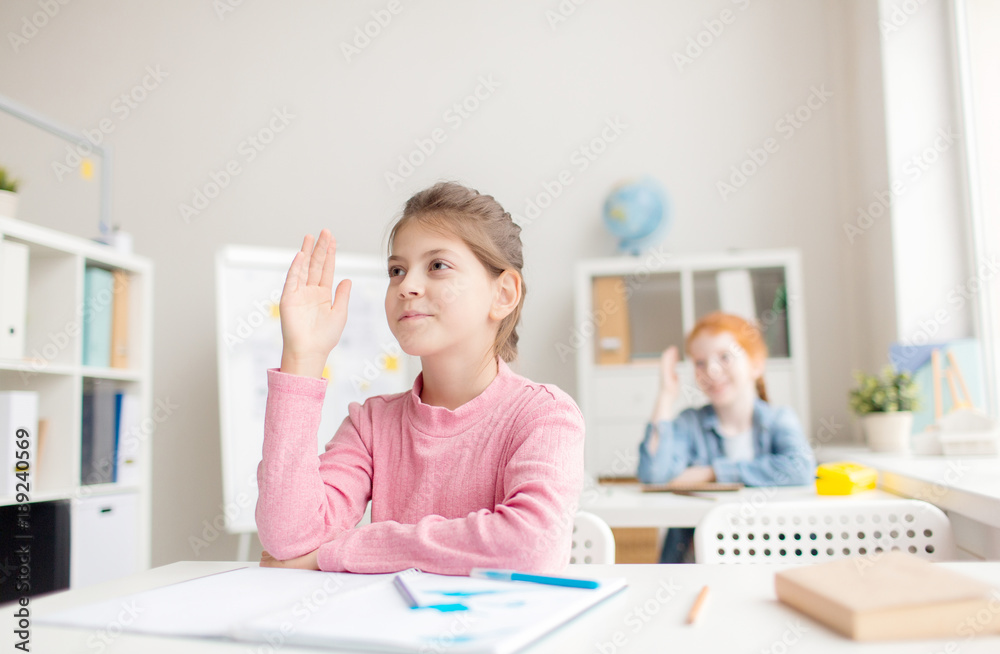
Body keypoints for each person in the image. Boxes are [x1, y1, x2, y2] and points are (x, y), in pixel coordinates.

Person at [254, 181, 585, 575]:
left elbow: (530, 547)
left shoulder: (545, 416)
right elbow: (288, 540)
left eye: (437, 266)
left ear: (503, 294)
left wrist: (342, 552)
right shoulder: (371, 424)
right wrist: (302, 358)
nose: (407, 286)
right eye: (397, 270)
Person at [636, 311, 815, 563]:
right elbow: (654, 474)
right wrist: (666, 395)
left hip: (770, 558)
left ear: (756, 364)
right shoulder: (690, 423)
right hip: (701, 564)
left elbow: (800, 469)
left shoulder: (778, 419)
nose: (711, 370)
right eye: (700, 362)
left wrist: (712, 473)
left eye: (725, 357)